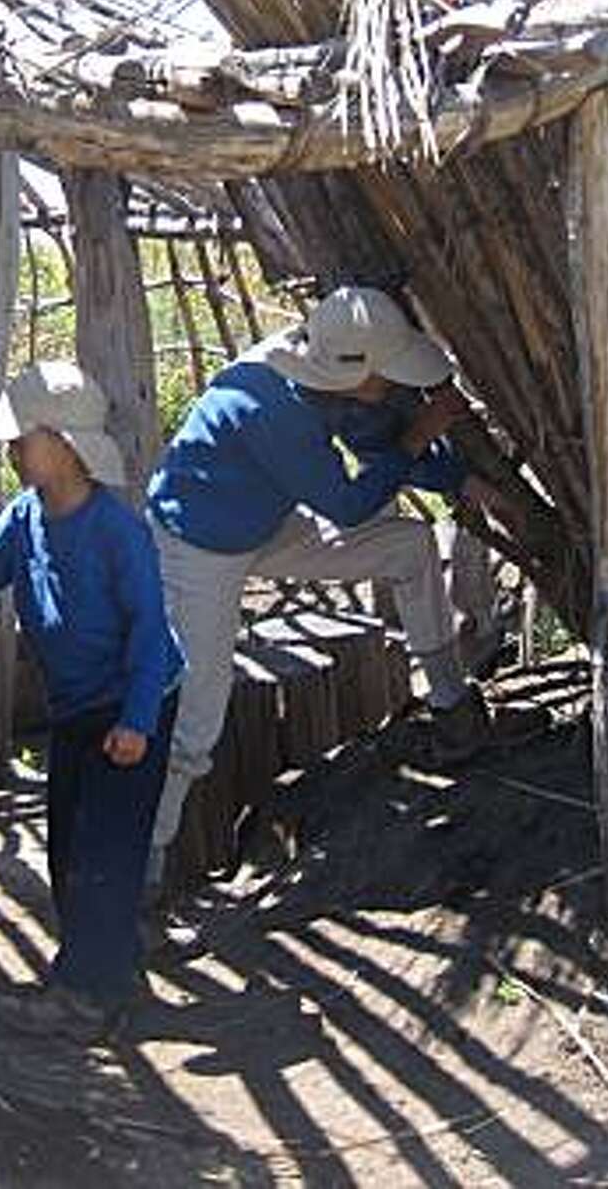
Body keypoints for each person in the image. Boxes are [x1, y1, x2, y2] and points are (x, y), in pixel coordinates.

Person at [143, 285, 497, 892]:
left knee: (409, 547)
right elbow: (349, 504)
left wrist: (458, 477)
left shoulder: (333, 383)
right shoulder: (267, 405)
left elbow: (381, 448)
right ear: (356, 374)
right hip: (197, 547)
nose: (394, 388)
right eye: (387, 376)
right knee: (197, 717)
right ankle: (140, 881)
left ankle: (451, 711)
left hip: (266, 522)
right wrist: (420, 439)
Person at [0, 361, 183, 1037]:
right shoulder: (23, 520)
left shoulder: (118, 532)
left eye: (24, 438)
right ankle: (108, 969)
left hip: (135, 703)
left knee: (104, 850)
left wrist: (138, 721)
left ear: (67, 444)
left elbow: (147, 632)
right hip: (77, 707)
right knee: (68, 848)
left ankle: (85, 996)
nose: (13, 450)